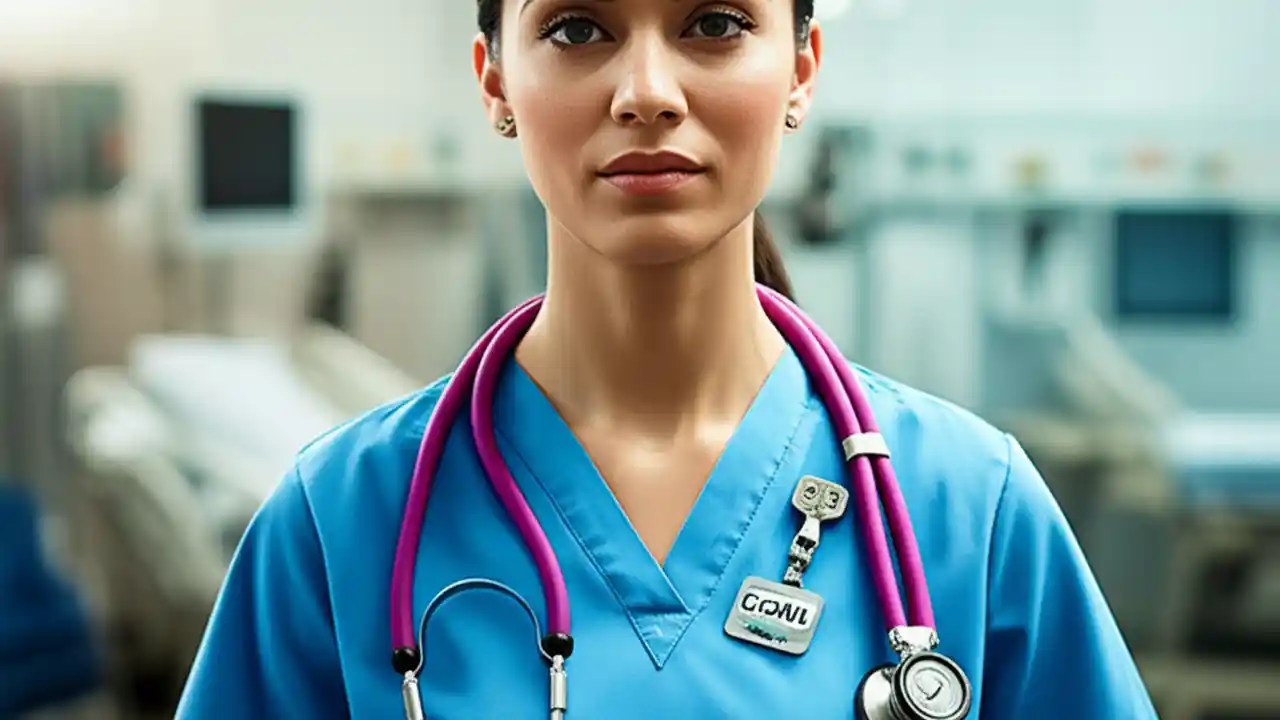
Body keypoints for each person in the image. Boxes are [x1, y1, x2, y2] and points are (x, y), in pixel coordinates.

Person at [176, 0, 1158, 717]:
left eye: (715, 23)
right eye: (575, 30)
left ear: (803, 69)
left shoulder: (967, 508)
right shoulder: (340, 521)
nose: (645, 91)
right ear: (493, 81)